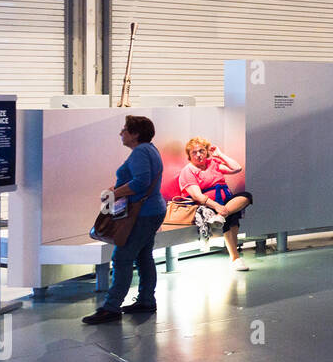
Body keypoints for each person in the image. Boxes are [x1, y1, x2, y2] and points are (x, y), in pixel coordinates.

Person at [83, 115, 166, 324]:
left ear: (135, 134)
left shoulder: (140, 152)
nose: (121, 133)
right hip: (152, 209)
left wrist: (116, 193)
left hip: (143, 212)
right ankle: (146, 299)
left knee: (122, 257)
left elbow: (140, 182)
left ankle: (111, 307)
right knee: (144, 256)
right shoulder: (149, 149)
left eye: (125, 130)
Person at [179, 137, 253, 271]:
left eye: (201, 151)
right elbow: (198, 196)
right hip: (208, 205)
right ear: (189, 156)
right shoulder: (188, 171)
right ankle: (235, 258)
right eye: (194, 153)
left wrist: (220, 154)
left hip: (225, 203)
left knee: (246, 196)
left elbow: (237, 168)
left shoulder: (213, 163)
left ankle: (220, 216)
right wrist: (217, 206)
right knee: (230, 217)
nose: (198, 155)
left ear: (207, 151)